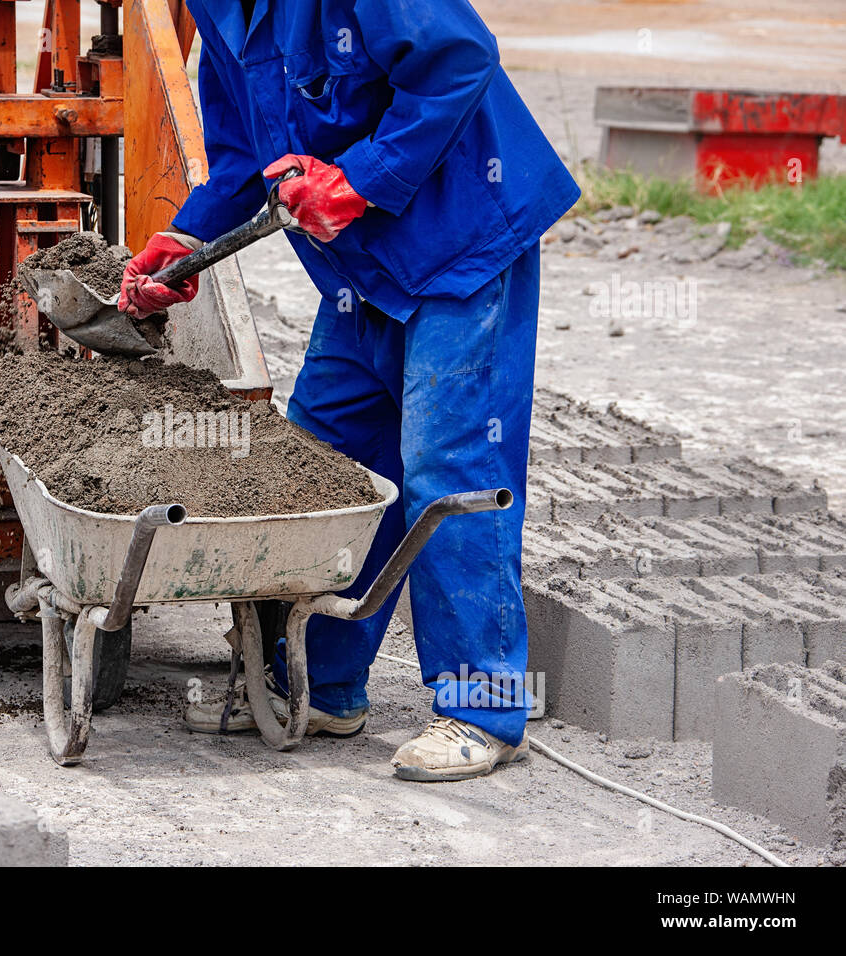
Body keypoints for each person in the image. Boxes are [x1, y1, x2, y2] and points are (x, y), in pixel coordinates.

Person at [119, 0, 580, 782]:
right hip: (361, 273)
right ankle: (319, 687)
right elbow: (241, 159)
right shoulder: (219, 14)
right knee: (325, 458)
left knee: (447, 462)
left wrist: (359, 180)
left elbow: (461, 56)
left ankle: (484, 709)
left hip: (458, 243)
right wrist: (189, 239)